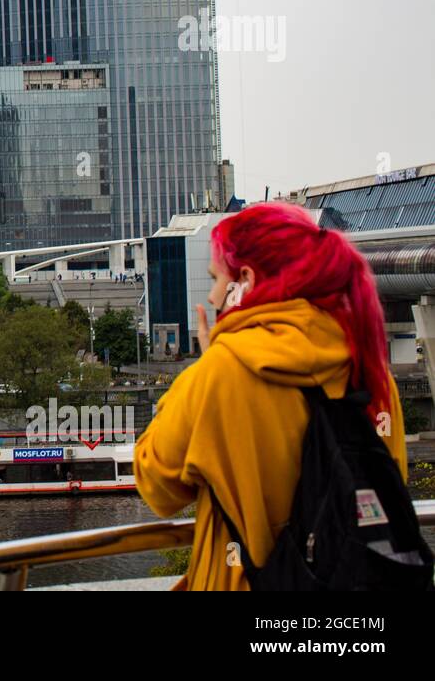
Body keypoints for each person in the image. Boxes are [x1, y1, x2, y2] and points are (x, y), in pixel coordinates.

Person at [134, 203, 406, 590]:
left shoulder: (221, 373)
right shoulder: (370, 368)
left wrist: (207, 368)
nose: (212, 298)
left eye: (215, 279)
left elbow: (157, 486)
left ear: (244, 279)